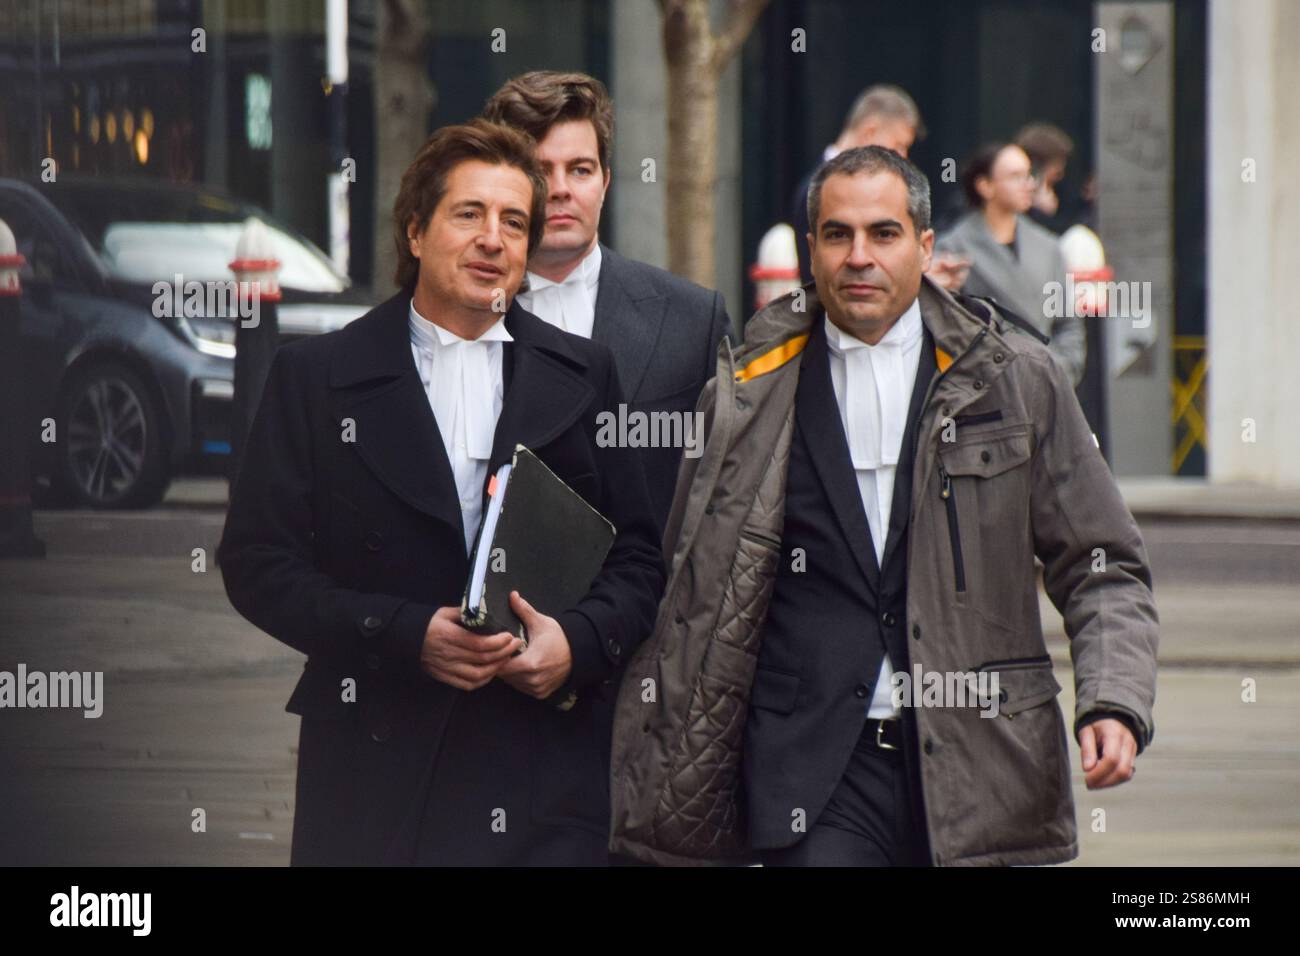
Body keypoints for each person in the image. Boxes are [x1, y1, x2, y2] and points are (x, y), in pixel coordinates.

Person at [610, 146, 1158, 867]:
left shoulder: (1016, 378)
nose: (859, 256)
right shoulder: (747, 393)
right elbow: (684, 580)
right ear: (811, 251)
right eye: (838, 235)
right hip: (812, 776)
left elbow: (1103, 563)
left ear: (926, 247)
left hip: (985, 764)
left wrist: (1114, 699)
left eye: (883, 233)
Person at [218, 119, 665, 865]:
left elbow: (640, 559)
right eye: (470, 214)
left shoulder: (587, 376)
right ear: (416, 231)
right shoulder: (316, 377)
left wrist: (575, 644)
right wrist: (401, 634)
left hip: (540, 768)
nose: (494, 239)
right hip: (372, 765)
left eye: (514, 222)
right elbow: (259, 563)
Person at [483, 71, 730, 533]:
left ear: (606, 180)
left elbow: (731, 492)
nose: (560, 189)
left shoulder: (693, 321)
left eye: (580, 169)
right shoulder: (462, 314)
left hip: (650, 599)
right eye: (539, 170)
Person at [935, 141, 1087, 385]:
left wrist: (1064, 368)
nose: (1028, 185)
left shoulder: (1048, 246)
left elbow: (1068, 323)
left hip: (1049, 383)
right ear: (985, 185)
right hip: (989, 388)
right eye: (1015, 176)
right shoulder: (953, 249)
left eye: (1029, 175)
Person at [790, 83, 926, 285]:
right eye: (898, 146)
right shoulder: (814, 189)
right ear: (869, 133)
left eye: (884, 234)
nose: (859, 258)